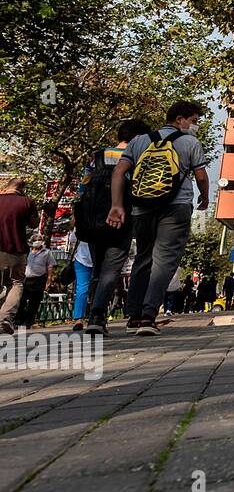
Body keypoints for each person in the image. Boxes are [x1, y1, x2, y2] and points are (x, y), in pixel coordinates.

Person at [105, 101, 209, 337]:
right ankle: (148, 315)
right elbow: (201, 176)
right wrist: (204, 197)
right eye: (193, 121)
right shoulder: (190, 142)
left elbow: (119, 172)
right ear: (180, 119)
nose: (195, 126)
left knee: (143, 257)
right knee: (165, 260)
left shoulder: (139, 141)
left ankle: (133, 315)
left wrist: (117, 205)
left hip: (142, 207)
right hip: (176, 207)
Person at [84, 119, 152, 337]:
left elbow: (83, 187)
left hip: (92, 220)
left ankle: (93, 316)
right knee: (111, 269)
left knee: (97, 269)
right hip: (121, 218)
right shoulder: (138, 157)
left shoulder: (98, 155)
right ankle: (97, 316)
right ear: (137, 138)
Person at [0, 179, 41, 335]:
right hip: (16, 250)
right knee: (16, 283)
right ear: (22, 189)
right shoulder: (27, 202)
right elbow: (34, 224)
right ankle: (5, 317)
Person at [18, 235, 55, 327]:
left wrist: (49, 279)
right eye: (35, 240)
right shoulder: (28, 252)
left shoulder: (47, 252)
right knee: (21, 300)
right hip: (26, 279)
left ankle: (29, 321)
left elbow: (50, 266)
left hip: (39, 279)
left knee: (34, 302)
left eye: (39, 239)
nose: (37, 241)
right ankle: (20, 319)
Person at [66, 225, 94, 331]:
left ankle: (79, 320)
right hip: (99, 258)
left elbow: (72, 238)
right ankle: (96, 317)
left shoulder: (82, 221)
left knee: (82, 289)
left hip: (82, 258)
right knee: (99, 288)